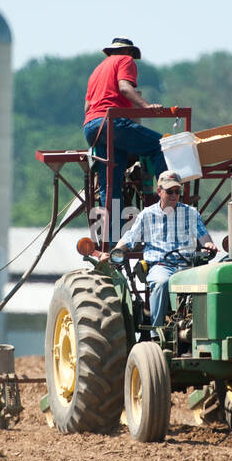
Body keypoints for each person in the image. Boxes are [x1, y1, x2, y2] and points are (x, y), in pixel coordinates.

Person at [115, 171, 217, 328]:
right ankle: (157, 332)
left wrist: (209, 245)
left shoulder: (190, 213)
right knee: (162, 282)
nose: (174, 195)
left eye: (177, 191)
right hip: (160, 266)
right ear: (159, 191)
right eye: (170, 191)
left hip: (187, 266)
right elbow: (130, 238)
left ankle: (201, 329)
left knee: (207, 284)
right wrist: (115, 251)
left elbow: (204, 237)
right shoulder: (147, 214)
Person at [83, 38, 168, 215]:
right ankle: (168, 200)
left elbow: (87, 107)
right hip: (111, 124)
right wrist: (146, 106)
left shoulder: (97, 71)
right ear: (129, 52)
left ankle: (113, 239)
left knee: (111, 186)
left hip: (92, 128)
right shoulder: (125, 60)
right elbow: (124, 87)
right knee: (161, 145)